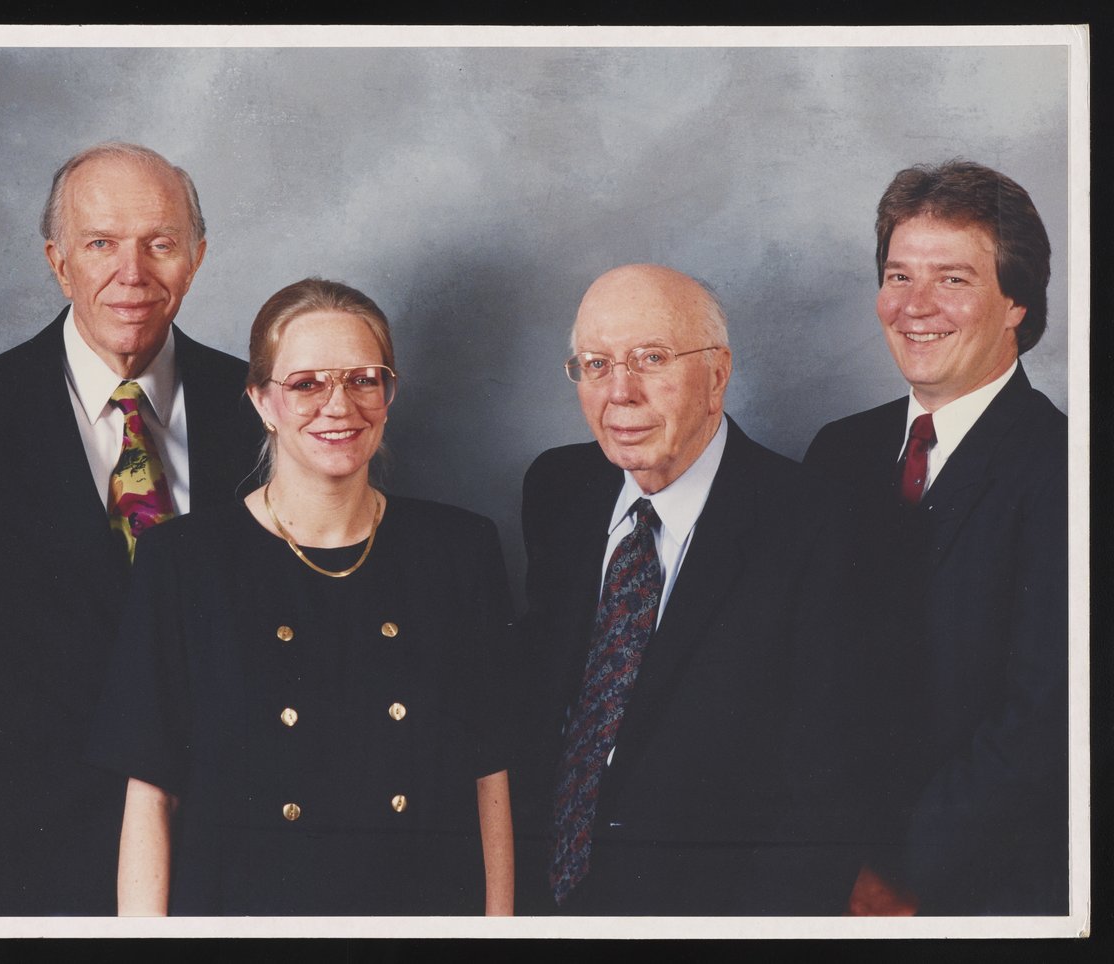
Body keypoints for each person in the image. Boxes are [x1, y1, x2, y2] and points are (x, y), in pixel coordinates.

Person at [85, 278, 515, 916]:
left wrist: (497, 939)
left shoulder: (459, 550)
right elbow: (150, 796)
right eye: (306, 383)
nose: (338, 406)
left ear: (388, 394)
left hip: (418, 914)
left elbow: (491, 779)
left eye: (363, 379)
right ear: (262, 400)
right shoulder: (183, 561)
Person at [0, 142, 261, 915]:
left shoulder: (269, 410)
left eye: (159, 244)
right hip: (21, 866)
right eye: (100, 244)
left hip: (232, 857)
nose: (132, 273)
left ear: (195, 259)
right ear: (59, 262)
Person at [512, 263, 866, 915]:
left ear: (718, 373)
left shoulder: (817, 526)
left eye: (651, 358)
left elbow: (824, 795)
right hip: (542, 904)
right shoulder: (560, 487)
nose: (620, 392)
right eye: (595, 364)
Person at [804, 160, 1067, 915]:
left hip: (979, 890)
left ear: (1016, 299)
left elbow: (1042, 721)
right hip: (824, 874)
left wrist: (902, 873)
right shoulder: (838, 453)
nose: (915, 307)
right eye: (897, 276)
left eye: (952, 279)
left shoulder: (1065, 471)